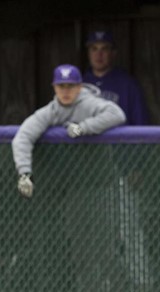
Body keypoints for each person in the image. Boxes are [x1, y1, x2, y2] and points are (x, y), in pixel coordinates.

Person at [12, 64, 126, 197]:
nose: (65, 91)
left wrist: (83, 127)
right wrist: (24, 172)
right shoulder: (51, 111)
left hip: (104, 182)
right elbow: (23, 137)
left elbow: (117, 114)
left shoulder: (89, 103)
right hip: (71, 185)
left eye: (70, 86)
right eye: (61, 86)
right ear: (54, 87)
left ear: (79, 87)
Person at [82, 30, 151, 125]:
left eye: (104, 49)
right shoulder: (78, 85)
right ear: (88, 53)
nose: (99, 54)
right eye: (94, 49)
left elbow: (140, 123)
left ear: (113, 53)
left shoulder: (127, 84)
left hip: (119, 139)